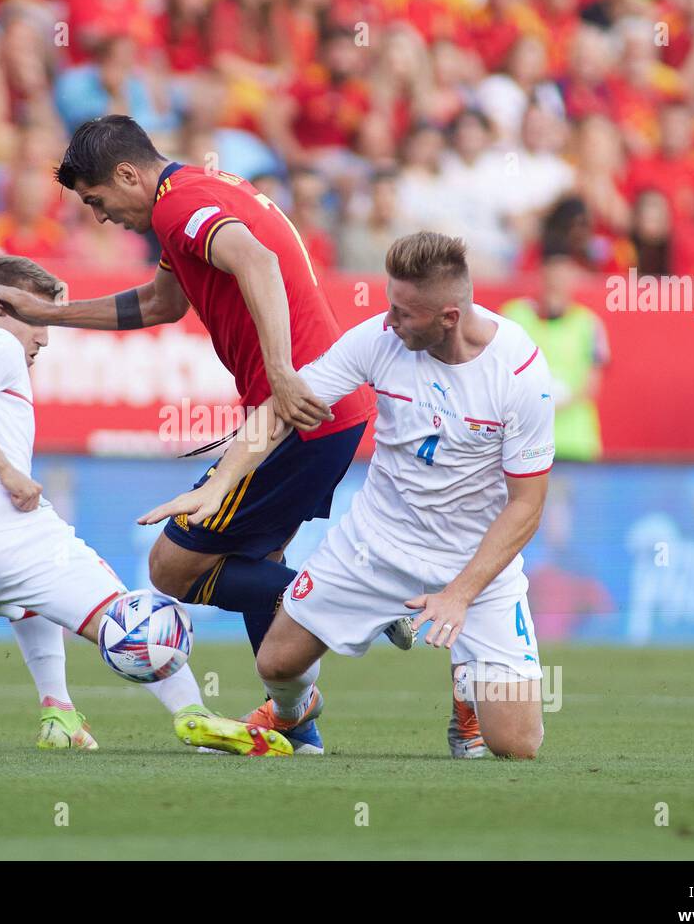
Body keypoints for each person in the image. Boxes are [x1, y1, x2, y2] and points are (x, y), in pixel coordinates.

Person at [0, 115, 379, 755]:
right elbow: (160, 305)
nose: (101, 216)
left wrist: (280, 372)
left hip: (296, 415)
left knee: (172, 569)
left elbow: (257, 260)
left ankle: (357, 599)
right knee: (258, 564)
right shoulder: (194, 194)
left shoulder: (181, 206)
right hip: (326, 413)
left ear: (127, 174)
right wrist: (51, 312)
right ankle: (298, 729)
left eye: (97, 200)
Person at [142, 232, 556, 760]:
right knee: (277, 664)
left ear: (449, 317)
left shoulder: (519, 374)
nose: (389, 320)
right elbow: (282, 409)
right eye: (389, 305)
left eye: (404, 313)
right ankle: (293, 717)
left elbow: (527, 506)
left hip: (473, 563)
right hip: (373, 545)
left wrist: (460, 594)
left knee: (515, 747)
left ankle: (467, 695)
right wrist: (219, 485)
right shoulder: (378, 339)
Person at [0, 254, 289, 755]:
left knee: (30, 600)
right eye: (37, 319)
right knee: (129, 616)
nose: (45, 336)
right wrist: (5, 470)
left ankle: (58, 713)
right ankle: (194, 714)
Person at [501, 246, 609, 461]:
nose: (557, 281)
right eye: (552, 273)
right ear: (541, 274)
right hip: (524, 439)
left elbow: (593, 383)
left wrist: (555, 402)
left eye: (564, 274)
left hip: (574, 441)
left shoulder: (588, 323)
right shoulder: (514, 316)